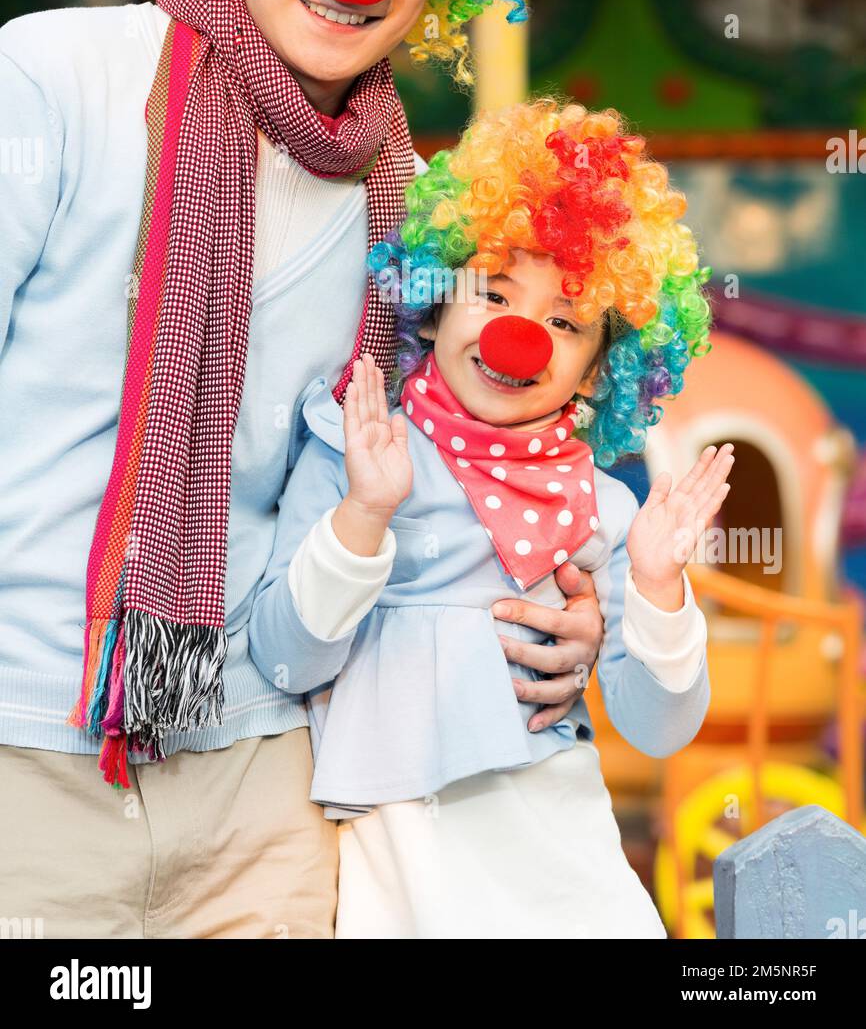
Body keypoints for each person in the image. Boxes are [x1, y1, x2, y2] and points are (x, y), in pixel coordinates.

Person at [0, 0, 605, 939]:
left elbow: (451, 470)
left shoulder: (416, 209)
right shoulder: (58, 80)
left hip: (264, 780)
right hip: (23, 759)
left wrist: (565, 592)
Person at [250, 97, 731, 938]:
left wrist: (657, 586)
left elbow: (658, 730)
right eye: (494, 292)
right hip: (405, 860)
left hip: (562, 866)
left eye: (564, 321)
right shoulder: (357, 449)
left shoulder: (603, 509)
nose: (523, 338)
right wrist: (366, 514)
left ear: (594, 372)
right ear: (434, 301)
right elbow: (285, 660)